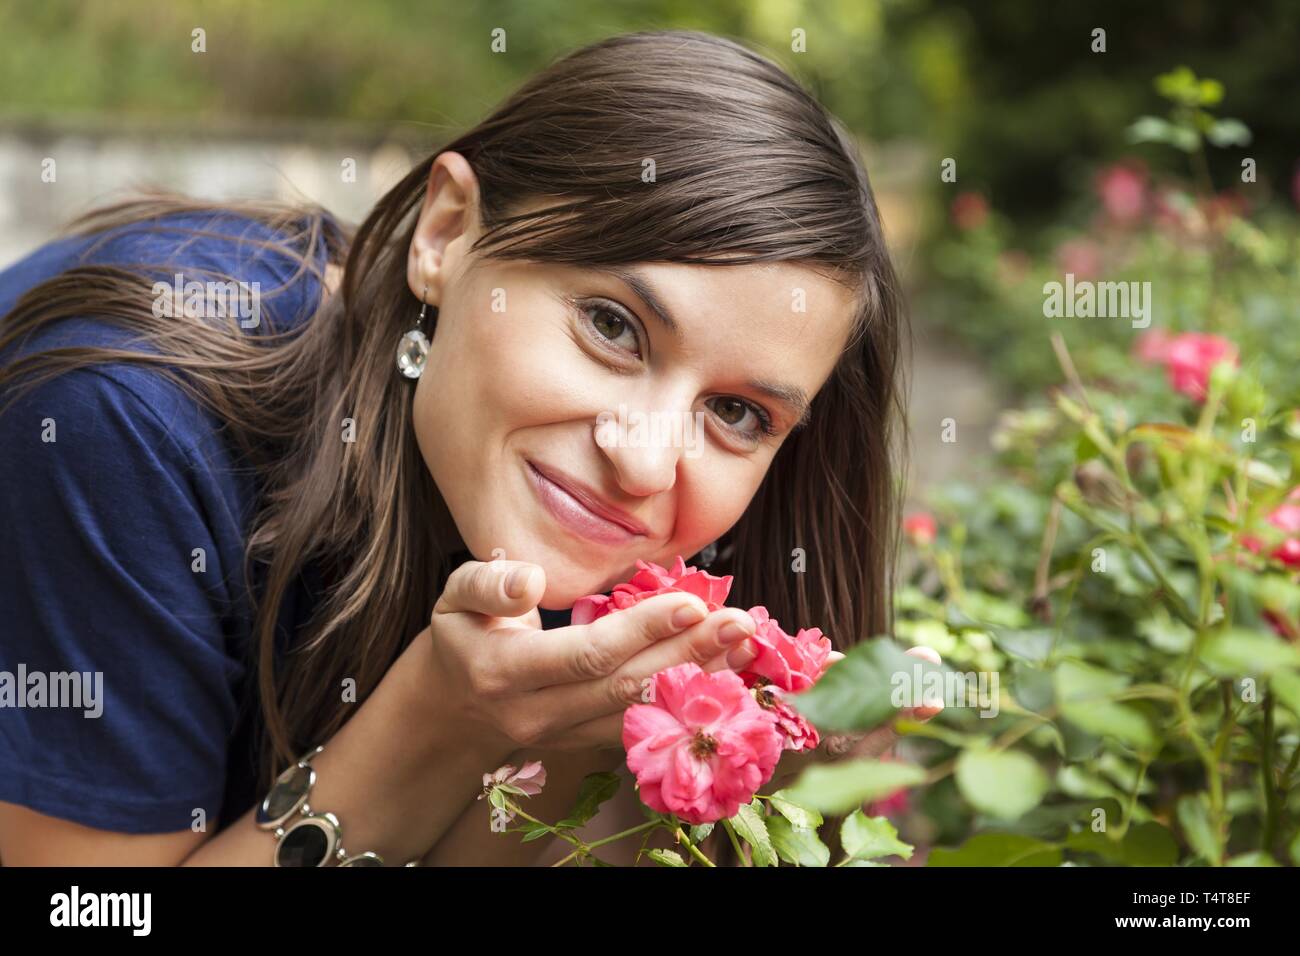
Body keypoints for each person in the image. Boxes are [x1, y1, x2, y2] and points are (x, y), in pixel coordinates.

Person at [0, 29, 930, 866]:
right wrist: (436, 725)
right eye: (612, 326)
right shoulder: (120, 428)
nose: (646, 465)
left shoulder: (603, 545)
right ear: (445, 233)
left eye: (737, 416)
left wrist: (573, 747)